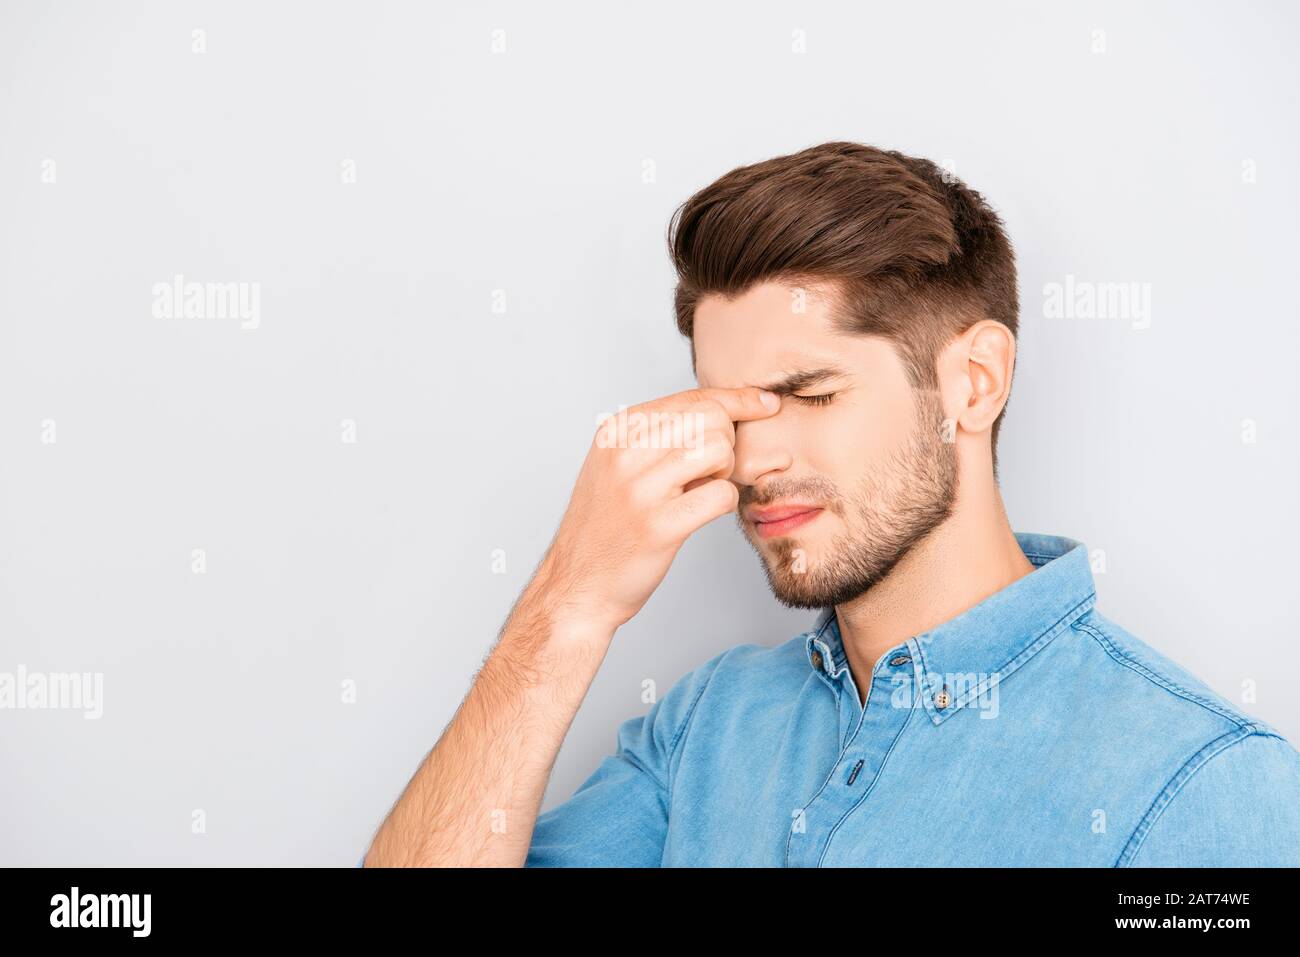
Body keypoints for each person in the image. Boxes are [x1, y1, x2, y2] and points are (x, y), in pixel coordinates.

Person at [362, 141, 1300, 867]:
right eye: (730, 409)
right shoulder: (708, 728)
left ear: (974, 382)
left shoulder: (1206, 782)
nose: (755, 460)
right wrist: (568, 603)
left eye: (810, 394)